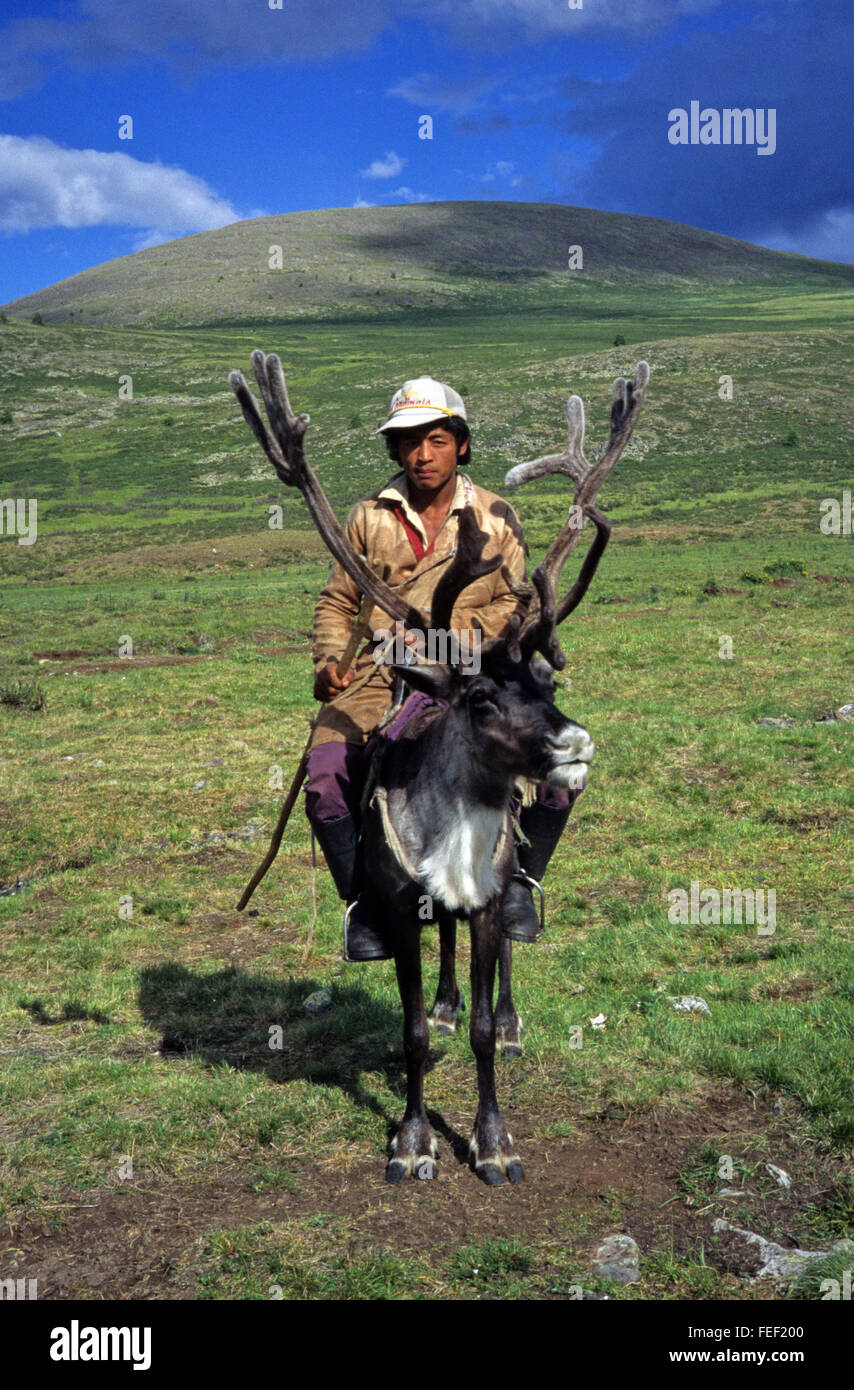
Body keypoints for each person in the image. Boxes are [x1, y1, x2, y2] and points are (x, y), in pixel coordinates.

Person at [304, 376, 579, 960]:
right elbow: (337, 602)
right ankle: (365, 905)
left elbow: (516, 606)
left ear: (461, 443)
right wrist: (331, 661)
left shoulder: (496, 515)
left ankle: (519, 884)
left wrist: (445, 642)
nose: (421, 455)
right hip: (379, 672)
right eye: (407, 443)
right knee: (327, 774)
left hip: (476, 671)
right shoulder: (366, 518)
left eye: (435, 440)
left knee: (559, 760)